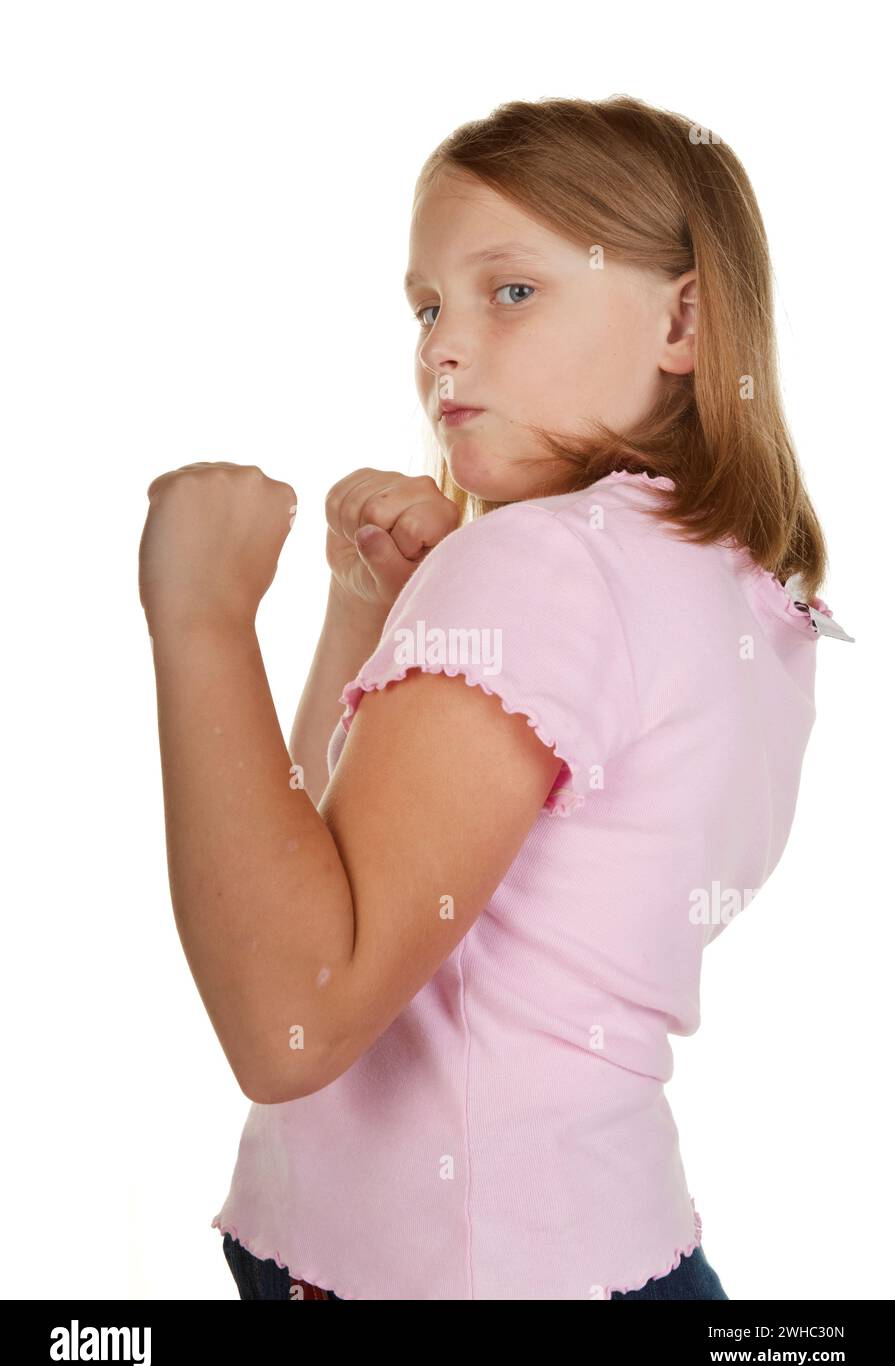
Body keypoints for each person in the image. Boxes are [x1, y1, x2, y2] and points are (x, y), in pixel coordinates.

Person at [139, 94, 853, 1301]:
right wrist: (367, 606)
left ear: (684, 317)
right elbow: (317, 862)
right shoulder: (736, 584)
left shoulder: (541, 561)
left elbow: (288, 1023)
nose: (441, 349)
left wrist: (200, 620)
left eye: (510, 291)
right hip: (606, 1252)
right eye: (426, 306)